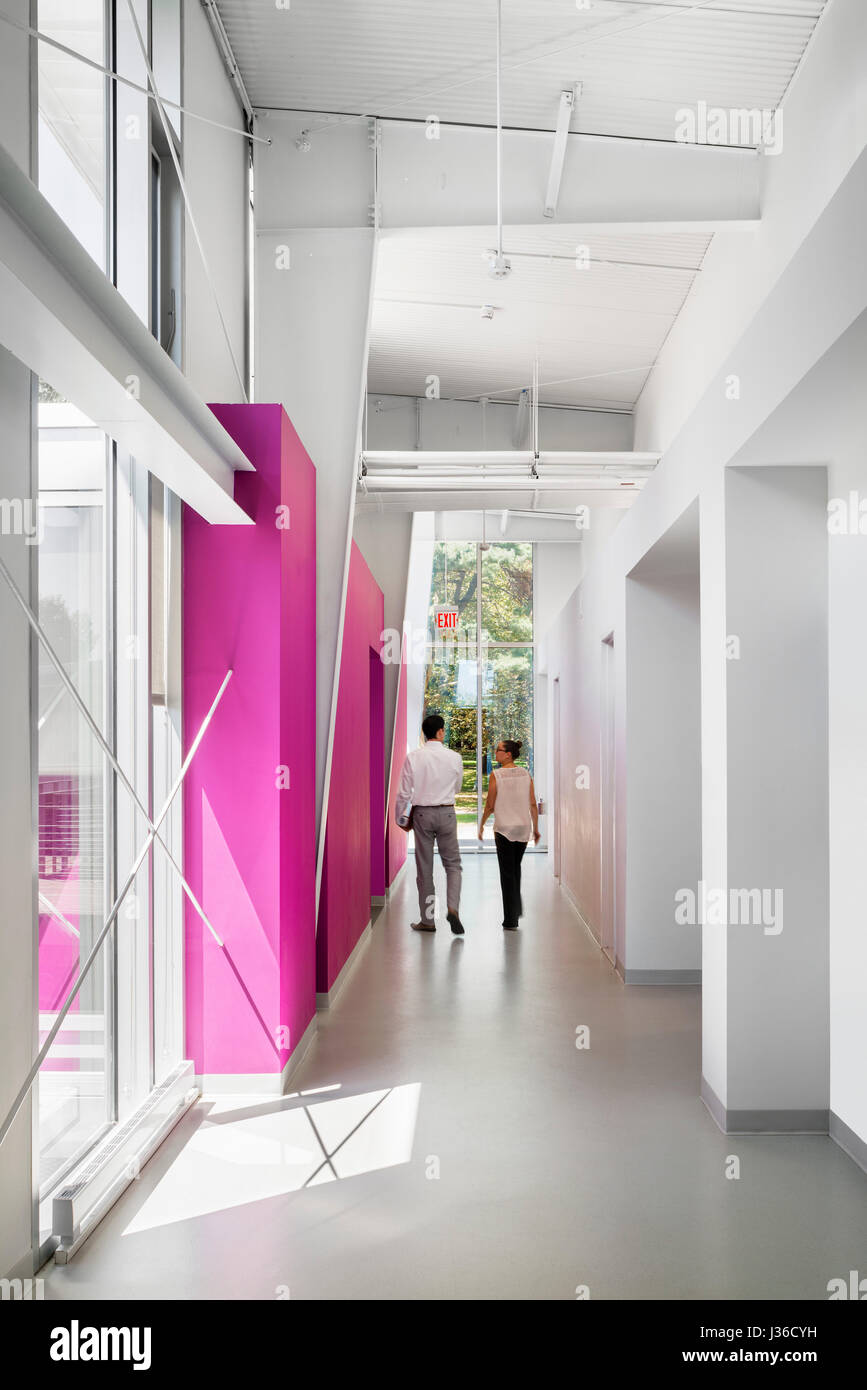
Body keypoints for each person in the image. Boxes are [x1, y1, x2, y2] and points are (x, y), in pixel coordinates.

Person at [396, 713, 466, 935]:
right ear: (440, 732)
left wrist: (401, 819)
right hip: (447, 813)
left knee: (425, 869)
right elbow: (457, 788)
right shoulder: (455, 757)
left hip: (422, 815)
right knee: (453, 865)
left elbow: (404, 793)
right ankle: (453, 909)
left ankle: (428, 920)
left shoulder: (414, 757)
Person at [478, 739, 540, 931]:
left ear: (508, 754)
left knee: (507, 873)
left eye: (499, 750)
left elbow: (490, 803)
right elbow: (532, 803)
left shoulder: (497, 775)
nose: (495, 753)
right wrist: (535, 828)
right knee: (515, 868)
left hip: (504, 828)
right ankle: (515, 908)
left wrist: (481, 824)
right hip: (522, 827)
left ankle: (511, 919)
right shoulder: (525, 773)